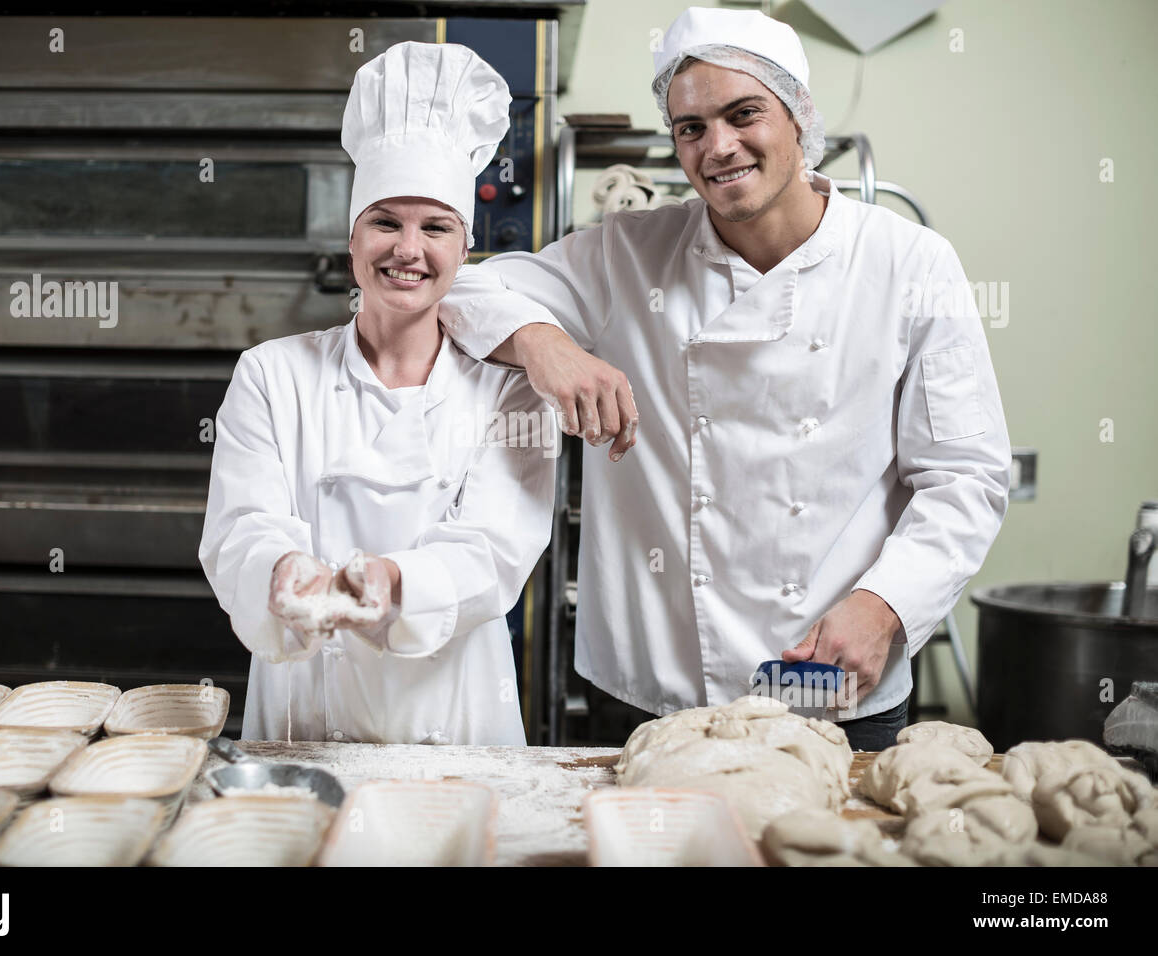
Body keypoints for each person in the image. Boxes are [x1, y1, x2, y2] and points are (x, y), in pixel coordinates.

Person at [438, 7, 1011, 749]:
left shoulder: (911, 264)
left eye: (745, 114)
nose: (718, 146)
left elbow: (965, 477)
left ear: (800, 117)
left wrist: (885, 607)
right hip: (652, 684)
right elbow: (457, 289)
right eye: (691, 127)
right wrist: (546, 343)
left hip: (831, 675)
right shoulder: (630, 254)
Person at [199, 42, 555, 745]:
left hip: (454, 715)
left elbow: (493, 552)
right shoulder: (272, 374)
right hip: (306, 708)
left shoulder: (511, 389)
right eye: (387, 222)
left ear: (464, 245)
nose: (408, 250)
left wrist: (391, 582)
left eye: (437, 228)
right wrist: (280, 571)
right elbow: (241, 527)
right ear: (353, 234)